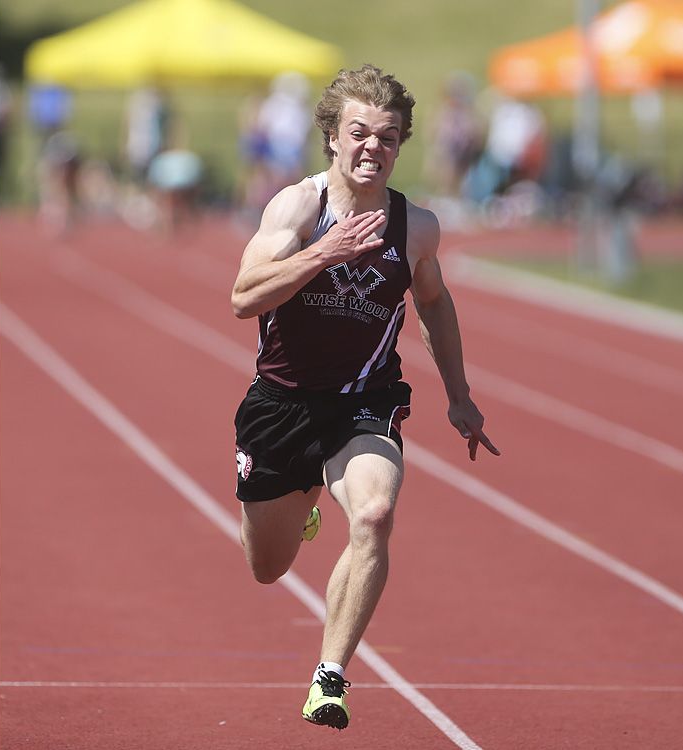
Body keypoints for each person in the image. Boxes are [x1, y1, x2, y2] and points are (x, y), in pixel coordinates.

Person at [230, 65, 500, 731]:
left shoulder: (416, 227)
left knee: (376, 513)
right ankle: (303, 506)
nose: (372, 147)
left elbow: (433, 304)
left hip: (364, 402)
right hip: (282, 404)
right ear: (331, 137)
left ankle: (330, 676)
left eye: (388, 136)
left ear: (401, 144)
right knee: (268, 568)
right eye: (359, 133)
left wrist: (460, 395)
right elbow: (243, 299)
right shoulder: (297, 207)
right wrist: (323, 253)